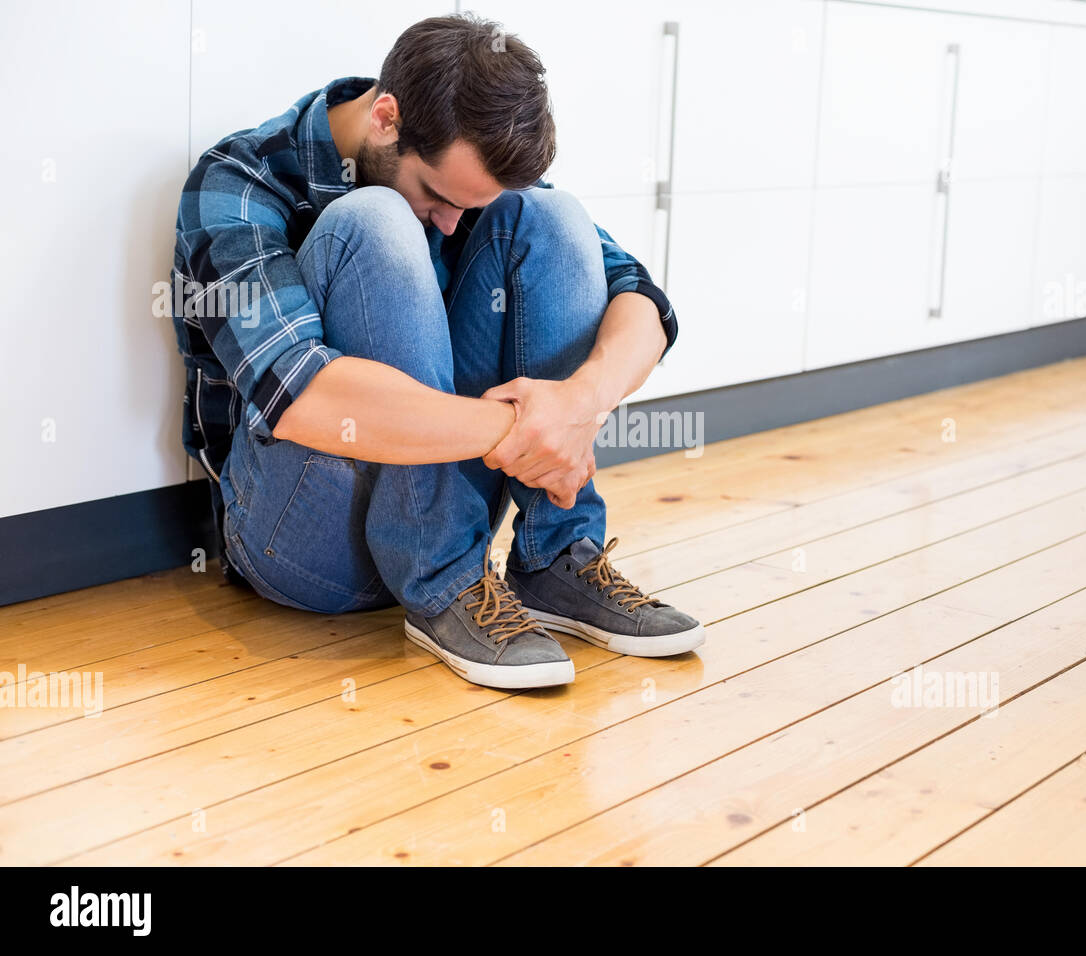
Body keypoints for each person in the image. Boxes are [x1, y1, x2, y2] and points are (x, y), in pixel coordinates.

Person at [170, 14, 704, 690]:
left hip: (459, 508)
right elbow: (302, 395)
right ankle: (439, 578)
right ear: (386, 118)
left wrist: (578, 403)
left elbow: (645, 304)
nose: (454, 221)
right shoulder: (239, 179)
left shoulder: (466, 171)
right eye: (438, 196)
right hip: (303, 538)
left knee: (551, 217)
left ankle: (556, 555)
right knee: (374, 219)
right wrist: (525, 429)